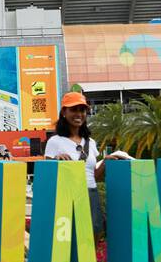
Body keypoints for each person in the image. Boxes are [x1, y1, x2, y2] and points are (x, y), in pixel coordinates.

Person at [43, 92, 128, 237]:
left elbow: (93, 175)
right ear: (64, 112)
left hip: (90, 194)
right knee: (68, 238)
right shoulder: (55, 141)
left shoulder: (91, 142)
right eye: (74, 109)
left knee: (93, 235)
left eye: (82, 110)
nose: (79, 114)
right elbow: (46, 175)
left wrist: (106, 162)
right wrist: (56, 160)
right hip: (67, 196)